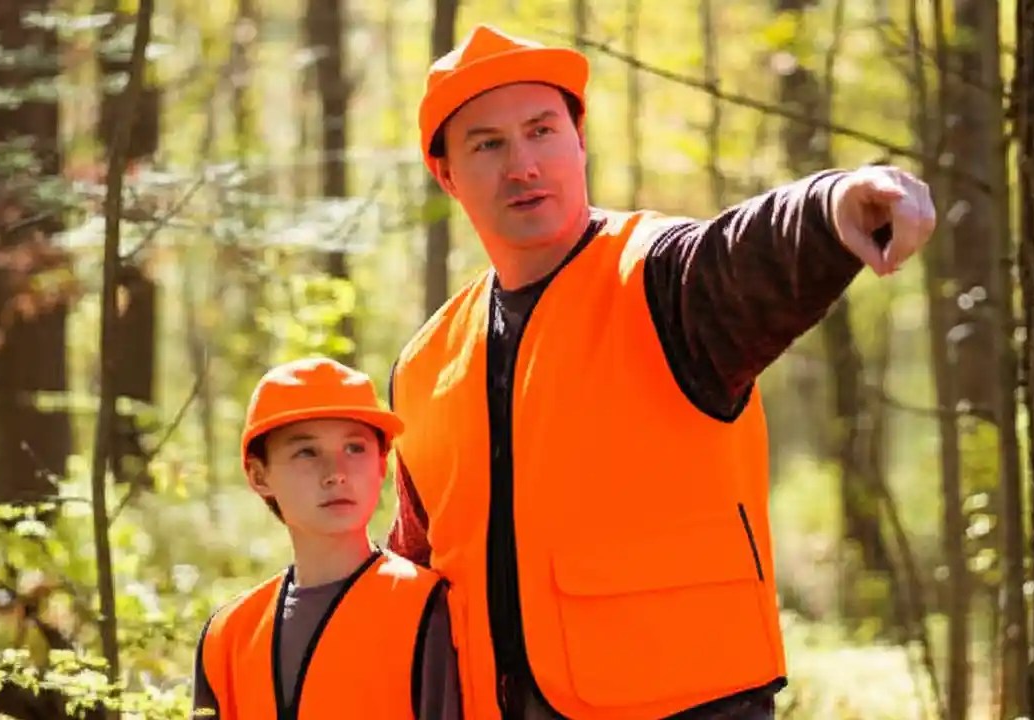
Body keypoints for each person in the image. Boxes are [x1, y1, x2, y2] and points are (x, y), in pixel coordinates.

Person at [387, 24, 937, 720]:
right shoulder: (425, 364)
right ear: (447, 174)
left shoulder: (661, 279)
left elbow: (748, 254)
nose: (522, 164)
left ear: (578, 140)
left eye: (541, 131)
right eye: (488, 144)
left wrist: (831, 206)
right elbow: (415, 571)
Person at [191, 357, 462, 719]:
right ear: (259, 476)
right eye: (306, 452)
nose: (336, 473)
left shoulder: (428, 606)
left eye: (355, 448)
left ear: (382, 463)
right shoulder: (228, 635)